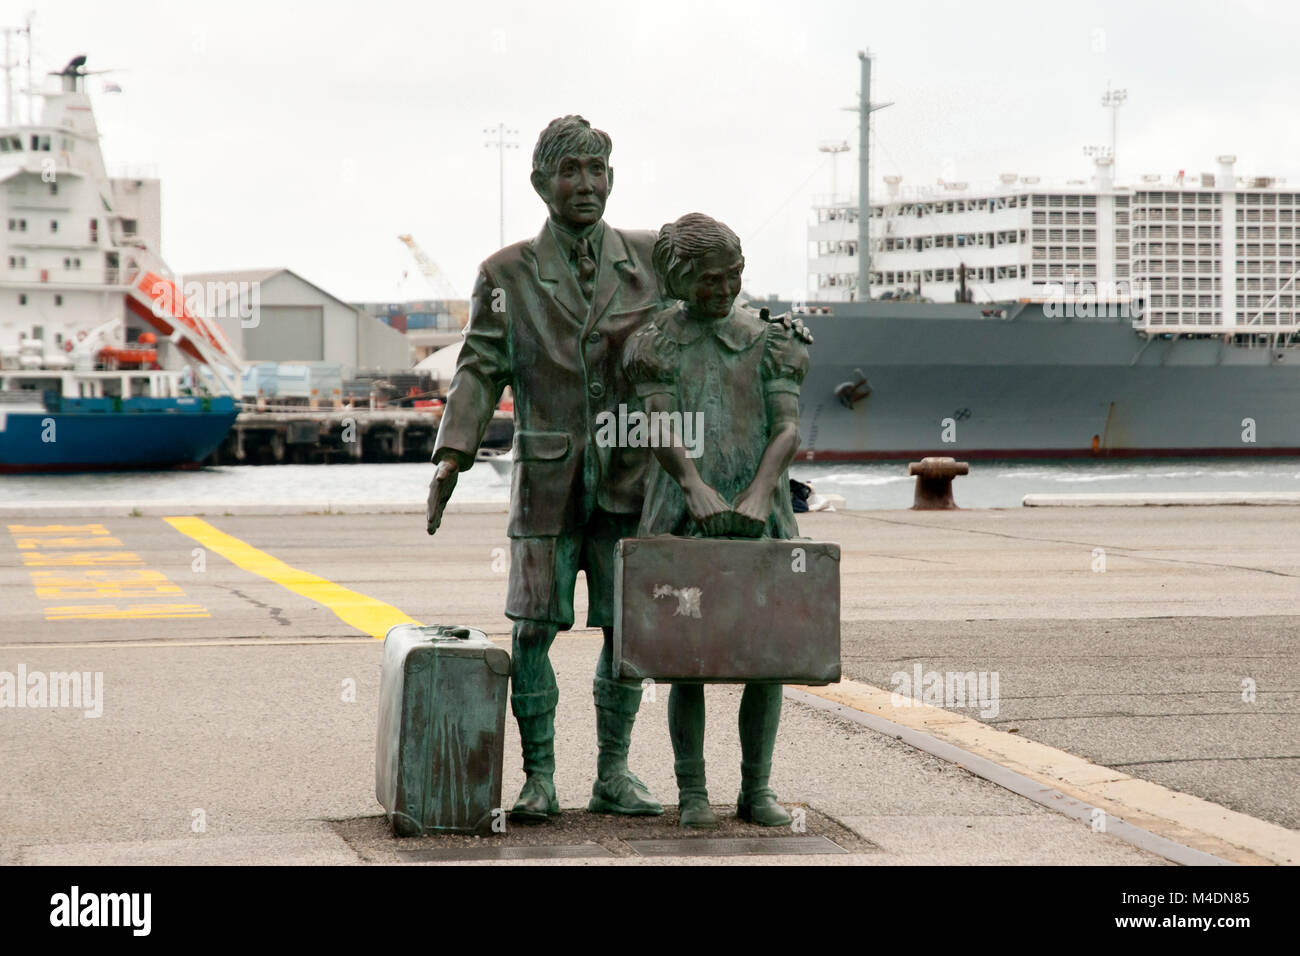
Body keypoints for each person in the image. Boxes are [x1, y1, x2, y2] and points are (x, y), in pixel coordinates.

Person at [426, 116, 665, 823]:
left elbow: (709, 320)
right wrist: (451, 455)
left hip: (630, 479)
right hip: (546, 484)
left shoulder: (653, 258)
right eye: (569, 172)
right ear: (540, 184)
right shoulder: (506, 274)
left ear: (612, 179)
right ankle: (540, 778)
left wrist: (774, 341)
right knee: (532, 630)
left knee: (629, 634)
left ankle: (614, 774)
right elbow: (479, 367)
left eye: (596, 170)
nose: (584, 184)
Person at [622, 213, 812, 828]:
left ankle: (757, 789)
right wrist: (693, 485)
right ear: (678, 277)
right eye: (708, 278)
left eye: (732, 274)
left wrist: (760, 492)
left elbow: (786, 427)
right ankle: (693, 792)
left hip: (764, 510)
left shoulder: (772, 339)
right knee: (689, 655)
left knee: (768, 655)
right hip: (684, 506)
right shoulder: (655, 343)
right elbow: (658, 425)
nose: (723, 288)